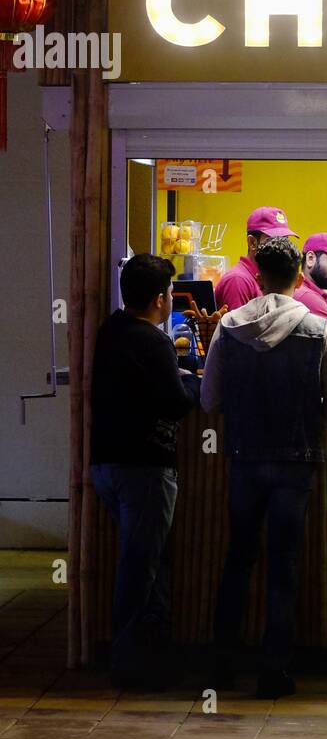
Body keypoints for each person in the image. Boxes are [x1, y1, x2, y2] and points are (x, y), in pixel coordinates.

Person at [201, 236, 327, 697]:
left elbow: (209, 399)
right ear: (295, 277)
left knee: (238, 559)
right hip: (297, 462)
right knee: (283, 565)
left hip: (245, 458)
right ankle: (274, 670)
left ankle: (222, 665)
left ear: (259, 276)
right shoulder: (315, 328)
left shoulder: (228, 328)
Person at [90, 253, 201, 688]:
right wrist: (191, 379)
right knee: (142, 566)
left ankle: (147, 658)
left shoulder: (110, 330)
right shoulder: (153, 341)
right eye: (171, 293)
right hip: (145, 469)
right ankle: (133, 664)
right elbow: (175, 404)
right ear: (160, 299)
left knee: (143, 561)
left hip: (106, 465)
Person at [213, 206, 297, 311]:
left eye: (285, 240)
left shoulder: (270, 278)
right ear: (252, 243)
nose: (280, 246)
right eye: (273, 240)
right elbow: (239, 327)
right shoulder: (238, 280)